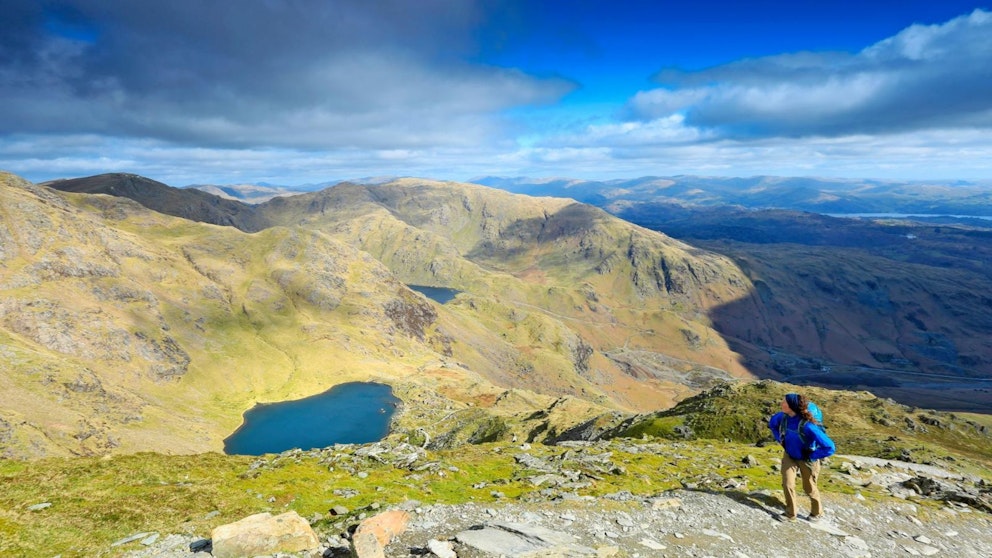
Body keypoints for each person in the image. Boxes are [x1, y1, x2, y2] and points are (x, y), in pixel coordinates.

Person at [768, 393, 835, 522]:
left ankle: (817, 513)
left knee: (809, 488)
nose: (781, 403)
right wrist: (780, 439)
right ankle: (790, 514)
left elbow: (830, 447)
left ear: (792, 406)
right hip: (790, 455)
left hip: (808, 459)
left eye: (785, 402)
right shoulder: (782, 417)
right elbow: (772, 424)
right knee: (788, 484)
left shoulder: (808, 426)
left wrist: (812, 455)